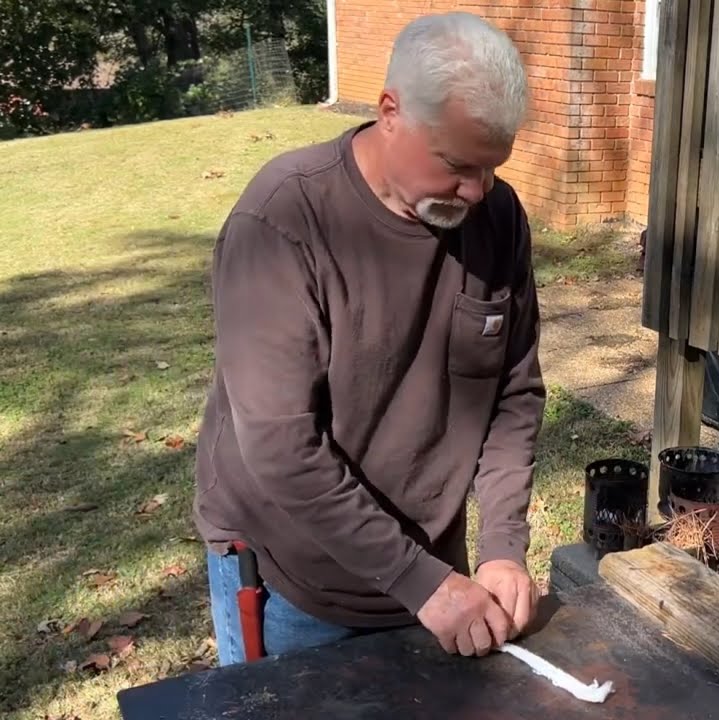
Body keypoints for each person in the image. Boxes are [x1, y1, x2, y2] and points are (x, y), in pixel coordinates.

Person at [192, 12, 546, 666]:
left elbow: (513, 395)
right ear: (390, 111)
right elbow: (281, 446)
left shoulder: (497, 218)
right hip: (293, 580)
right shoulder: (282, 220)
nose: (476, 191)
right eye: (456, 165)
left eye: (492, 167)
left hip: (437, 573)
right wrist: (425, 586)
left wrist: (501, 547)